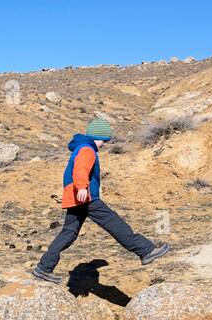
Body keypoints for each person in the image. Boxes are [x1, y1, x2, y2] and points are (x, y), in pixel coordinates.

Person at [31, 117, 170, 283]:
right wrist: (82, 187)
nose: (104, 144)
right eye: (103, 140)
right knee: (115, 223)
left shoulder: (81, 148)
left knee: (68, 233)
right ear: (97, 137)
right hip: (86, 197)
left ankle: (44, 268)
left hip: (75, 197)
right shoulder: (87, 150)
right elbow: (80, 170)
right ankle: (146, 250)